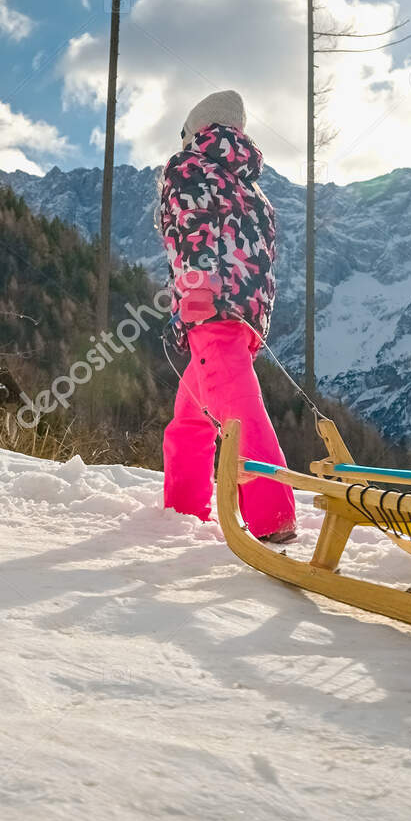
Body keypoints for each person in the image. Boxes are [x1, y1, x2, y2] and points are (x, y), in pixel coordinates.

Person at [158, 90, 296, 543]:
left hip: (208, 309)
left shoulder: (185, 170)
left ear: (196, 130)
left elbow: (178, 236)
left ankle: (273, 514)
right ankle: (182, 508)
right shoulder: (256, 192)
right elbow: (263, 258)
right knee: (191, 418)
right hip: (248, 315)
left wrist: (190, 297)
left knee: (237, 411)